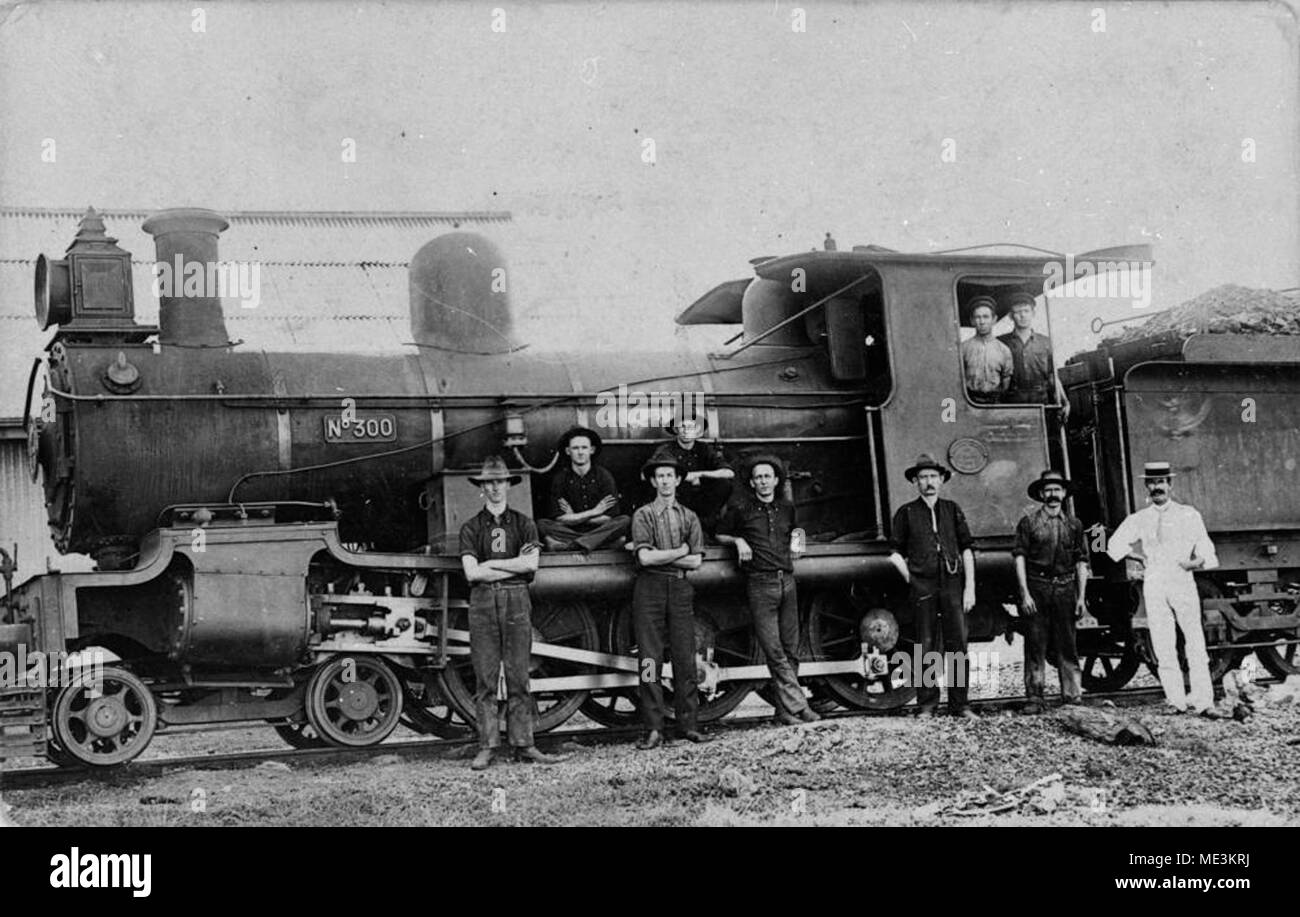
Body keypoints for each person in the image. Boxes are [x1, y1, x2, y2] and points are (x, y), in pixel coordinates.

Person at [458, 455, 566, 770]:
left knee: (520, 675)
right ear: (482, 488)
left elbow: (530, 565)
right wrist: (507, 567)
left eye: (499, 482)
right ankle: (488, 746)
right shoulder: (471, 527)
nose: (494, 488)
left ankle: (524, 744)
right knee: (486, 677)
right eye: (488, 483)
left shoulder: (524, 523)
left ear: (508, 485)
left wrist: (491, 564)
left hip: (518, 601)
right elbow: (471, 574)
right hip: (483, 603)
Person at [1105, 461, 1219, 715]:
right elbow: (1113, 545)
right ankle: (1176, 701)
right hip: (1154, 582)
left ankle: (1204, 702)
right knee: (1162, 643)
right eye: (1152, 483)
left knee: (1194, 641)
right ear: (1146, 486)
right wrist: (1137, 557)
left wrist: (1194, 562)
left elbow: (1208, 552)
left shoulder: (1189, 514)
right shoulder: (1140, 518)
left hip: (1182, 579)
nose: (1157, 487)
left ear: (1170, 484)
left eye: (1161, 482)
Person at [716, 455, 820, 725]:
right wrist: (738, 540)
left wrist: (797, 548)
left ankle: (784, 712)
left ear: (775, 480)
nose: (763, 481)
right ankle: (800, 707)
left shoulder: (787, 508)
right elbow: (720, 533)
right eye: (758, 477)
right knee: (773, 650)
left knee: (790, 649)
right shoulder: (741, 509)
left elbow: (797, 532)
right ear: (752, 482)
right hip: (760, 584)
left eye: (767, 476)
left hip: (787, 581)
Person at [630, 446, 711, 749]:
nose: (664, 481)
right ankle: (653, 728)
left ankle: (688, 725)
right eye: (659, 476)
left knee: (684, 659)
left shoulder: (690, 517)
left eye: (669, 476)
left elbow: (696, 562)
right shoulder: (643, 515)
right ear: (653, 482)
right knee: (649, 660)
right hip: (649, 589)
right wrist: (679, 552)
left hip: (679, 589)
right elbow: (645, 560)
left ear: (678, 480)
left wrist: (663, 556)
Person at [887, 454, 978, 718]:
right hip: (923, 587)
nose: (929, 482)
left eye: (933, 477)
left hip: (953, 585)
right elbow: (894, 553)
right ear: (915, 481)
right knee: (925, 645)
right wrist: (912, 579)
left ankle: (960, 704)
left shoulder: (952, 509)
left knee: (958, 644)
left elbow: (967, 549)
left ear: (941, 481)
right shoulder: (906, 512)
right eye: (924, 477)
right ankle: (927, 705)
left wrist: (969, 587)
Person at [1013, 469, 1089, 713]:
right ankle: (1035, 698)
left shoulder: (1075, 525)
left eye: (1057, 490)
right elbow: (1019, 558)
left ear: (1064, 493)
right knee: (1036, 644)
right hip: (1038, 588)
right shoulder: (1028, 523)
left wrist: (1081, 597)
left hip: (1066, 589)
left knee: (1068, 645)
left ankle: (1073, 696)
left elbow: (1081, 562)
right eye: (1048, 490)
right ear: (1041, 494)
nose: (1053, 494)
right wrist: (1024, 593)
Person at [537, 426, 630, 552]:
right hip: (572, 531)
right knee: (542, 524)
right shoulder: (560, 479)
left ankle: (573, 545)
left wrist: (574, 518)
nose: (580, 452)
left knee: (624, 521)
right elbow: (559, 518)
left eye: (584, 447)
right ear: (568, 451)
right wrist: (594, 512)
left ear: (591, 450)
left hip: (599, 529)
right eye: (575, 448)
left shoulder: (604, 476)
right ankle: (597, 543)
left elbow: (609, 517)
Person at [658, 408, 734, 531]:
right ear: (676, 430)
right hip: (677, 495)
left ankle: (703, 527)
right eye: (683, 427)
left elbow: (728, 472)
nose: (687, 431)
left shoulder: (704, 448)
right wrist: (683, 477)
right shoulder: (666, 449)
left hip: (701, 499)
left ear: (697, 430)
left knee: (724, 484)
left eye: (691, 427)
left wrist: (700, 474)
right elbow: (652, 473)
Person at [997, 291, 1068, 414]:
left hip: (1042, 403)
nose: (1022, 315)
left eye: (1026, 311)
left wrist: (1064, 401)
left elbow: (1052, 376)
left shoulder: (1045, 342)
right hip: (1013, 404)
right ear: (1011, 316)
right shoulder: (1001, 343)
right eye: (1018, 312)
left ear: (1033, 313)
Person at [960, 295, 1014, 404]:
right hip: (970, 402)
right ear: (972, 321)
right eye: (977, 317)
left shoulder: (1004, 350)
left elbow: (1006, 380)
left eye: (986, 317)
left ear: (994, 319)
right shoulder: (963, 348)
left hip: (994, 403)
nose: (982, 321)